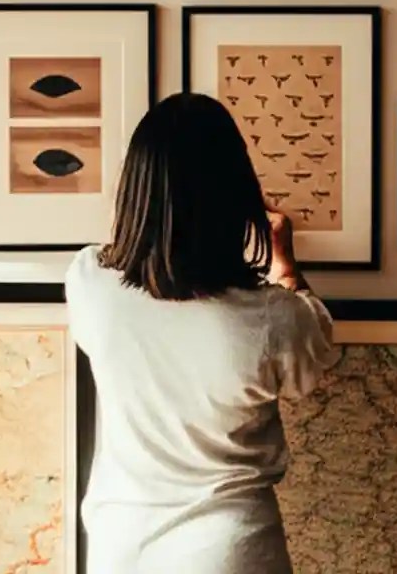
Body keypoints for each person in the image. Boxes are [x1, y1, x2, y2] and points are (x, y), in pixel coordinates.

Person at [65, 92, 339, 573]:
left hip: (119, 547)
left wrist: (145, 228)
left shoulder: (88, 282)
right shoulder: (270, 316)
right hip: (229, 550)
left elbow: (127, 261)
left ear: (134, 189)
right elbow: (312, 361)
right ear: (233, 194)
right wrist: (286, 267)